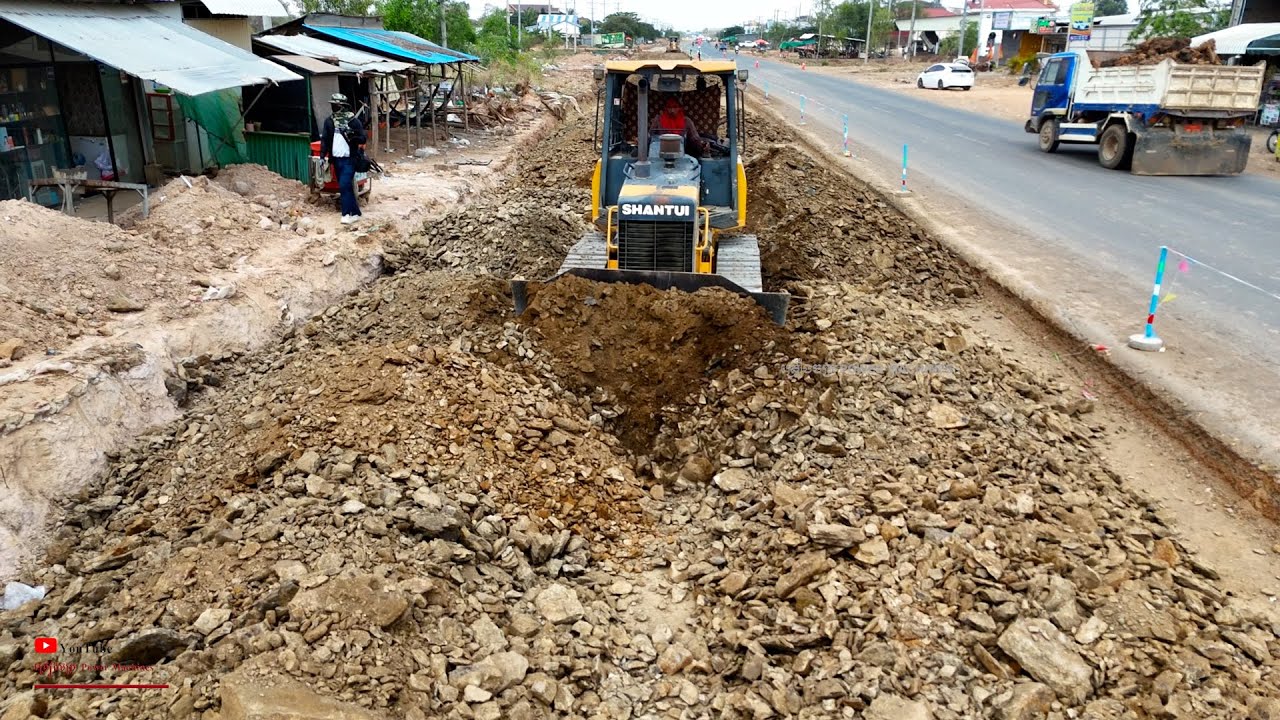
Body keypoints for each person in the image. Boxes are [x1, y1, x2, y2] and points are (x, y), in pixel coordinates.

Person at [320, 93, 366, 226]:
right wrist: (323, 156)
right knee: (346, 187)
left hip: (349, 159)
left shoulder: (353, 121)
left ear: (342, 106)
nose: (333, 107)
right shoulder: (329, 121)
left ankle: (346, 214)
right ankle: (356, 212)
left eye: (335, 104)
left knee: (344, 185)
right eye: (332, 104)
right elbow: (325, 140)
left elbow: (362, 138)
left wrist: (352, 136)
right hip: (336, 160)